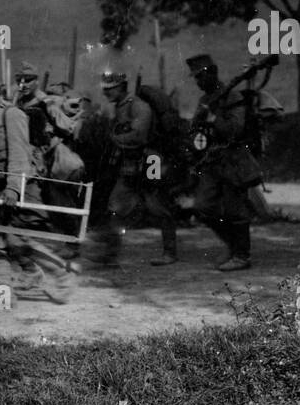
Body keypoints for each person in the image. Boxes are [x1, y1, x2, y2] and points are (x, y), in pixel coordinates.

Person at [0, 63, 76, 308]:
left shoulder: (11, 113)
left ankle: (61, 273)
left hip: (19, 188)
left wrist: (14, 189)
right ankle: (5, 296)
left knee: (18, 242)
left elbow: (19, 155)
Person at [90, 70, 179, 267]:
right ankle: (110, 255)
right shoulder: (121, 106)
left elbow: (138, 136)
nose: (106, 93)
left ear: (121, 87)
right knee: (116, 206)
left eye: (110, 89)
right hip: (132, 164)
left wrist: (113, 139)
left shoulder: (138, 106)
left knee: (158, 205)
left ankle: (169, 253)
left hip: (151, 161)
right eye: (105, 89)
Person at [186, 54, 258, 271]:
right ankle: (232, 245)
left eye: (201, 76)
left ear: (213, 72)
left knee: (236, 210)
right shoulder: (204, 100)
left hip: (233, 159)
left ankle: (242, 255)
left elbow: (235, 130)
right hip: (211, 161)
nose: (198, 82)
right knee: (203, 206)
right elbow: (196, 131)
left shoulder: (233, 96)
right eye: (195, 78)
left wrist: (213, 119)